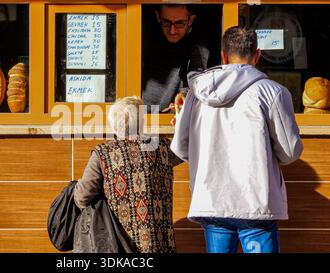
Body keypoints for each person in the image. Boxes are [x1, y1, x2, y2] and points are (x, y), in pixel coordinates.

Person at [170, 26, 303, 253]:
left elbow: (181, 147)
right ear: (257, 55)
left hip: (212, 199)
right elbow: (289, 151)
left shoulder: (196, 93)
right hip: (256, 199)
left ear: (223, 55)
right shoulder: (273, 92)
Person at [74, 96, 182, 253]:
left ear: (114, 125)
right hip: (161, 245)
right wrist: (180, 121)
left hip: (119, 244)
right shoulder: (162, 147)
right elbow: (184, 148)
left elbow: (82, 197)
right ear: (142, 122)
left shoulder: (104, 154)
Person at [142, 4, 210, 113]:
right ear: (158, 17)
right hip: (141, 116)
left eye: (179, 23)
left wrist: (185, 94)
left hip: (174, 119)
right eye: (166, 22)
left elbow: (197, 80)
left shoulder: (198, 45)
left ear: (191, 20)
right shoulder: (141, 35)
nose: (172, 30)